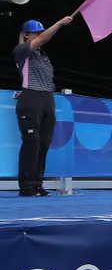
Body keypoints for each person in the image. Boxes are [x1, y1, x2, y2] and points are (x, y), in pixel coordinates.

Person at [12, 15, 75, 196]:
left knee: (44, 143)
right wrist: (60, 23)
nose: (40, 35)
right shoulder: (22, 50)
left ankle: (37, 183)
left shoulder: (43, 56)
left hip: (47, 98)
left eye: (40, 32)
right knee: (31, 142)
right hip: (32, 98)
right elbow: (44, 38)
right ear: (26, 35)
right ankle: (27, 185)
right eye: (36, 33)